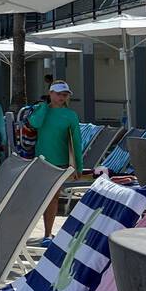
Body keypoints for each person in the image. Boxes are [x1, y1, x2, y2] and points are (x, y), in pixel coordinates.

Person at [28, 80, 86, 243]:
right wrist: (45, 107)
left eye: (65, 95)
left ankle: (47, 234)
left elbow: (76, 142)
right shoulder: (41, 109)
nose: (62, 97)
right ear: (50, 93)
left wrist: (78, 166)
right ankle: (26, 231)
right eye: (59, 94)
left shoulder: (70, 115)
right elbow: (35, 123)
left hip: (60, 163)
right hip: (40, 161)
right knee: (39, 197)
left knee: (53, 197)